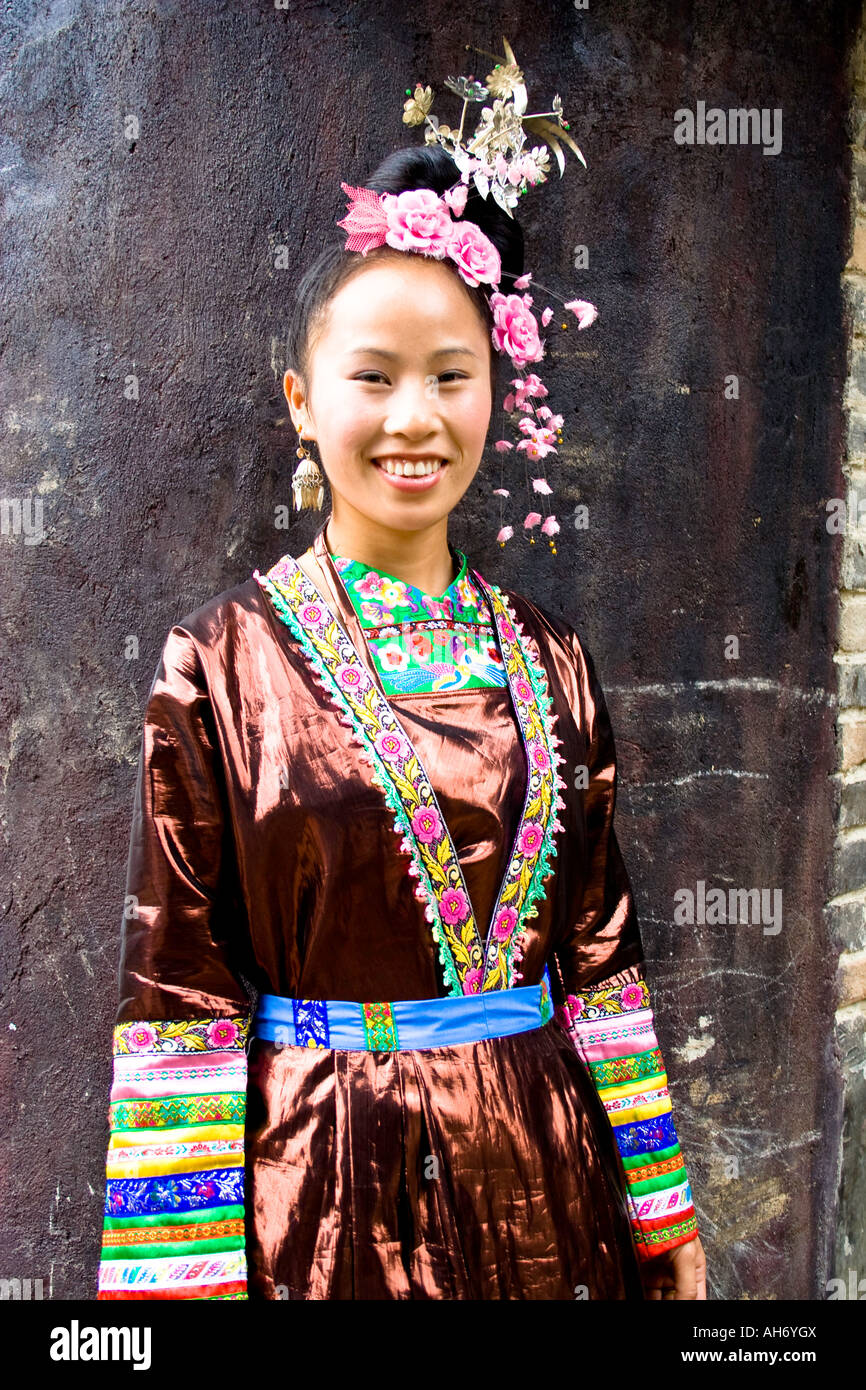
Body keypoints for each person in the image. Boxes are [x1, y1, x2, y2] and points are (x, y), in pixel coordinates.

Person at [97, 74, 705, 1302]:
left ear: (497, 385)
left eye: (449, 374)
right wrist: (179, 1287)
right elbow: (179, 991)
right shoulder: (218, 663)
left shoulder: (551, 657)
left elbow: (597, 960)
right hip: (317, 1189)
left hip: (545, 1181)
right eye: (372, 376)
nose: (413, 418)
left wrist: (661, 1210)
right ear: (301, 403)